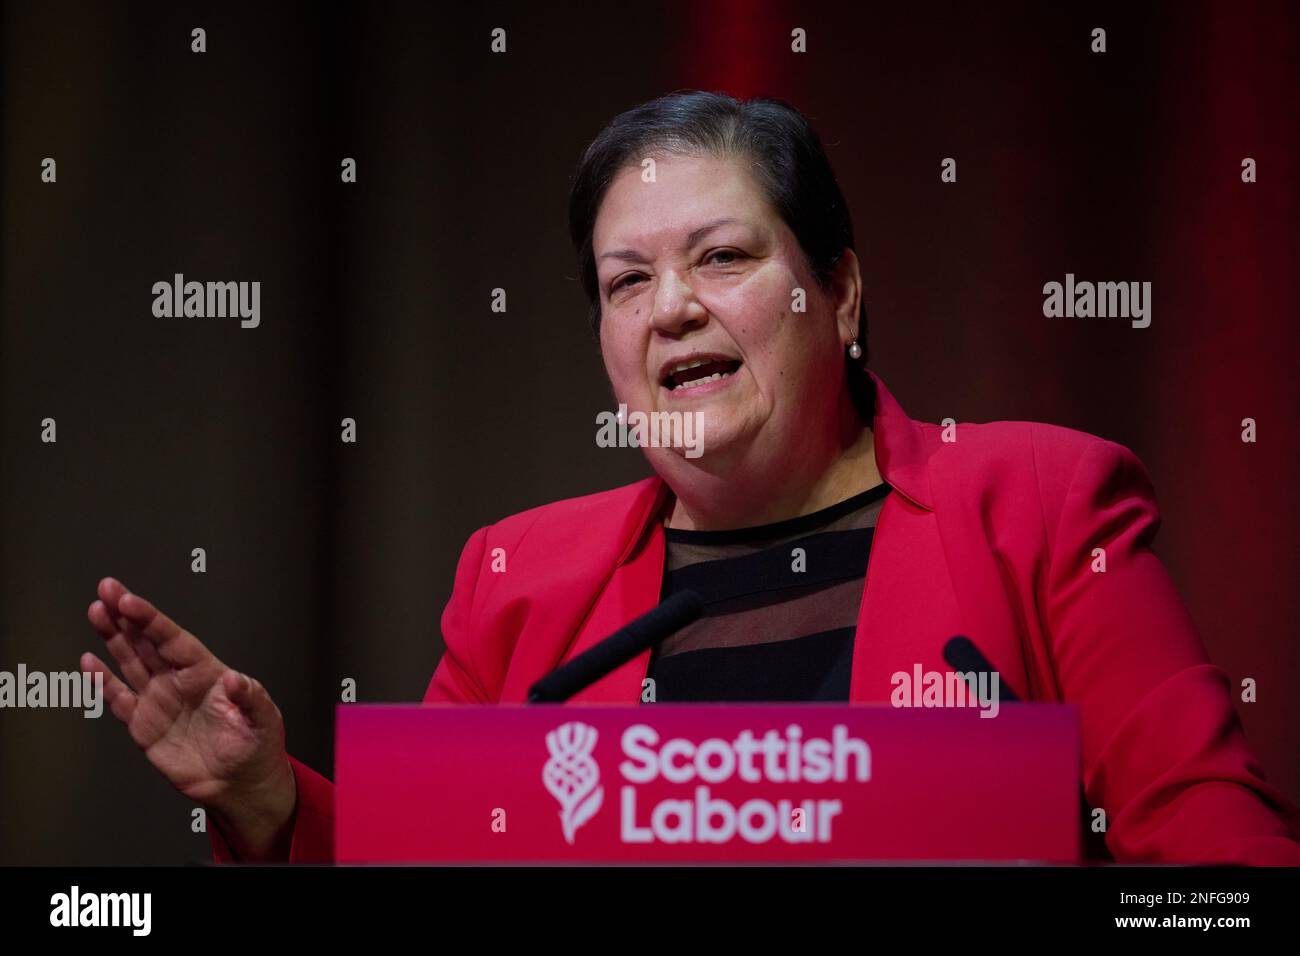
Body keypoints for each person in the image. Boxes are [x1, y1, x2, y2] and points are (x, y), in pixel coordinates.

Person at [82, 91, 1300, 865]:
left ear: (839, 290)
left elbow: (1217, 860)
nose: (671, 309)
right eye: (625, 281)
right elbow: (431, 856)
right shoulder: (523, 579)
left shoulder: (1038, 503)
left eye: (721, 257)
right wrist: (270, 803)